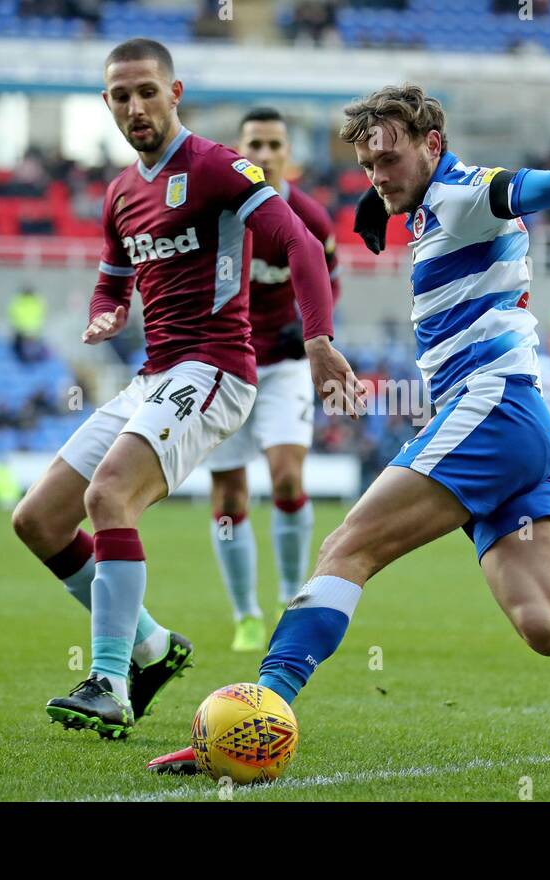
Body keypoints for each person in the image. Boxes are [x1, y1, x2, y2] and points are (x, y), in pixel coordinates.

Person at [147, 87, 550, 774]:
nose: (377, 176)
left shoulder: (466, 194)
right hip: (524, 431)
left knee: (347, 549)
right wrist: (394, 197)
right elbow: (426, 205)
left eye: (390, 159)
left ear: (433, 145)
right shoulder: (433, 203)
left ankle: (255, 715)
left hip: (489, 410)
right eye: (367, 165)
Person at [9, 38, 361, 741]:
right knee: (38, 521)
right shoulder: (119, 192)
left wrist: (319, 341)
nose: (134, 106)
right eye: (120, 95)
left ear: (175, 93)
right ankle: (150, 646)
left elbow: (297, 242)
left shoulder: (217, 167)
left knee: (108, 496)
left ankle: (109, 681)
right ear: (106, 104)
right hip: (153, 374)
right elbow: (114, 276)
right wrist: (103, 312)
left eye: (146, 91)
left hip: (218, 367)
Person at [205, 107, 341, 652]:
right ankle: (245, 614)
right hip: (224, 364)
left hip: (284, 366)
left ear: (289, 154)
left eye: (273, 146)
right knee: (229, 495)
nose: (263, 155)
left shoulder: (311, 218)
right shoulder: (219, 215)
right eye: (253, 145)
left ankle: (291, 598)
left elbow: (328, 285)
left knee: (287, 477)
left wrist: (310, 329)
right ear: (240, 151)